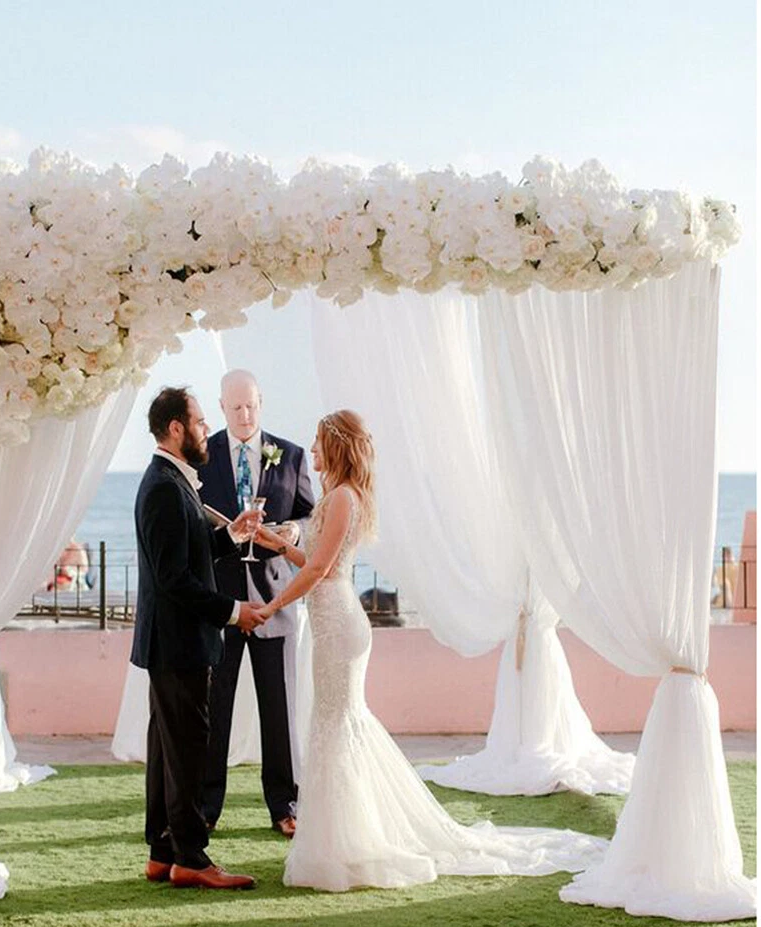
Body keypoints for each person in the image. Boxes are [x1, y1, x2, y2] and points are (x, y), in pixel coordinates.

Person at [253, 410, 606, 891]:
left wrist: (272, 603)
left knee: (337, 725)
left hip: (338, 624)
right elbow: (316, 561)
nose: (310, 452)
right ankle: (344, 838)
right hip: (334, 619)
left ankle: (347, 843)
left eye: (316, 444)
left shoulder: (340, 498)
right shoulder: (342, 497)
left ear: (335, 447)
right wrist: (274, 541)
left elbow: (318, 573)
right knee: (338, 725)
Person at [131, 386, 267, 890]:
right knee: (187, 749)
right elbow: (174, 580)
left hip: (171, 642)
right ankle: (190, 856)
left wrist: (227, 539)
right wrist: (234, 612)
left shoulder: (171, 480)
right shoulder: (166, 485)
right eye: (201, 422)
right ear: (175, 429)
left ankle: (161, 851)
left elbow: (186, 556)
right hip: (180, 642)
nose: (207, 430)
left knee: (168, 749)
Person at [197, 370, 315, 838]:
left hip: (276, 599)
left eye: (251, 406)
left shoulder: (291, 454)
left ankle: (284, 805)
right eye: (235, 407)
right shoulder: (203, 458)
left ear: (261, 403)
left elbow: (309, 513)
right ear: (222, 407)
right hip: (220, 601)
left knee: (279, 708)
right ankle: (206, 808)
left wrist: (296, 532)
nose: (245, 416)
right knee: (215, 708)